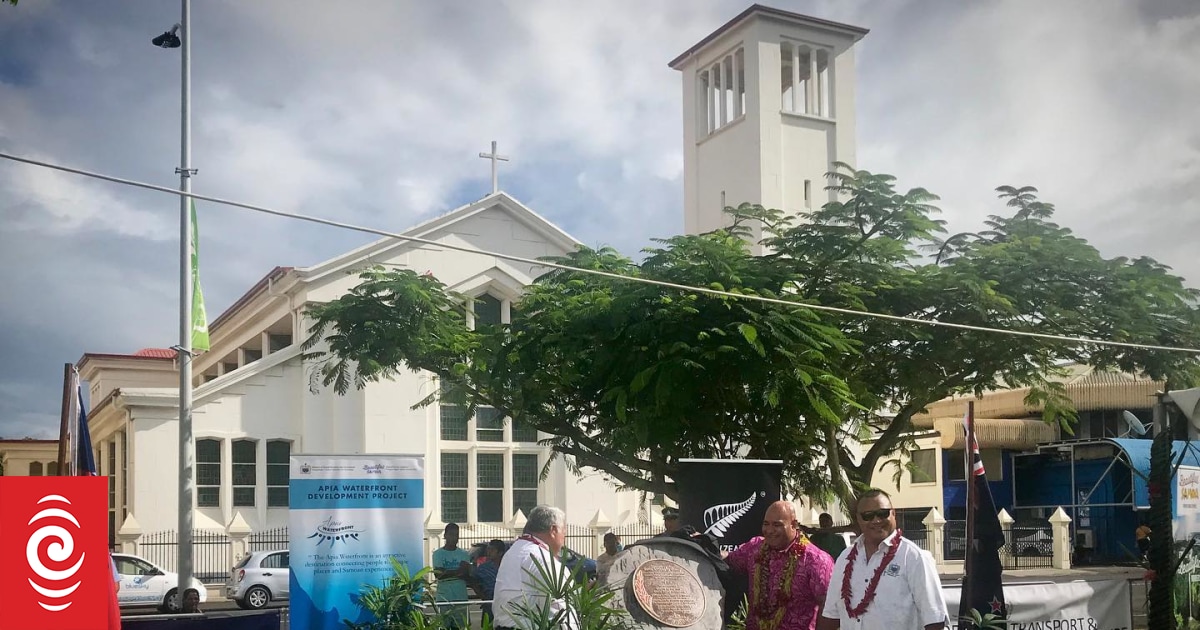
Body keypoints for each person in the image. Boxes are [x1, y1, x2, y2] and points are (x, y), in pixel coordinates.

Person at [817, 489, 948, 630]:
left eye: (882, 513)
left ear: (893, 514)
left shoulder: (914, 558)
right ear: (858, 519)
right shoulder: (845, 558)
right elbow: (831, 616)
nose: (876, 520)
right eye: (867, 516)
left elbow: (935, 621)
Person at [724, 500, 833, 630]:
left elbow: (830, 606)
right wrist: (705, 547)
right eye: (766, 524)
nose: (769, 530)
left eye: (777, 525)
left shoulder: (816, 560)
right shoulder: (754, 549)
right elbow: (728, 560)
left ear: (793, 525)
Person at [493, 505, 577, 630]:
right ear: (553, 530)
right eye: (564, 532)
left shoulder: (513, 552)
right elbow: (559, 611)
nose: (564, 539)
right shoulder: (543, 558)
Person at [432, 522, 472, 629]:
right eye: (451, 534)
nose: (454, 538)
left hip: (461, 598)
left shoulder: (464, 554)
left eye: (456, 535)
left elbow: (466, 574)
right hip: (444, 599)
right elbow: (439, 575)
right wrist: (458, 572)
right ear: (445, 535)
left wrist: (447, 572)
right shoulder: (438, 554)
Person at [473, 539, 506, 624]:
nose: (488, 552)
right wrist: (482, 596)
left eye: (492, 550)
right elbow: (474, 582)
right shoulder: (483, 568)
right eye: (488, 549)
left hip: (505, 603)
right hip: (489, 603)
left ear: (500, 552)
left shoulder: (507, 566)